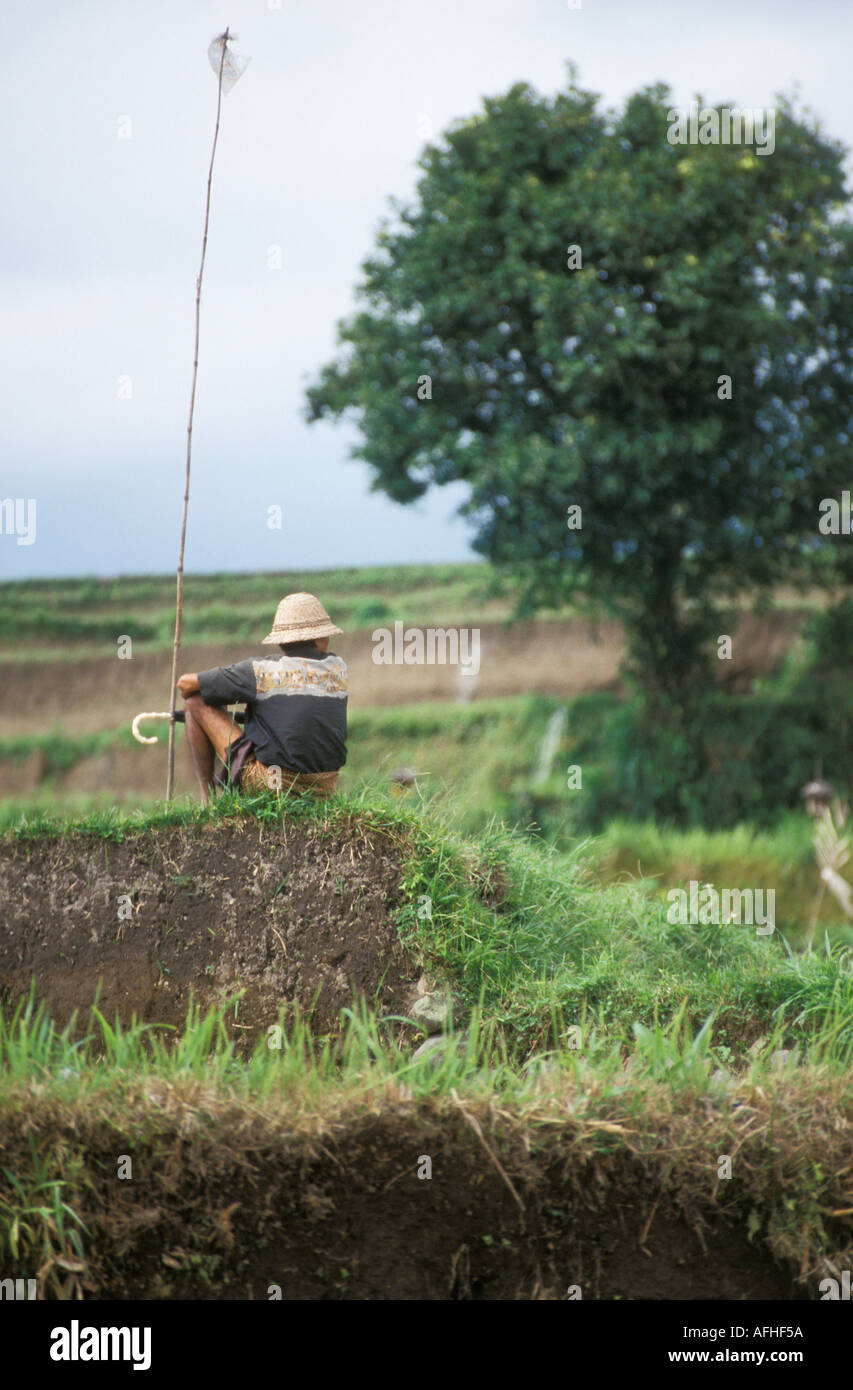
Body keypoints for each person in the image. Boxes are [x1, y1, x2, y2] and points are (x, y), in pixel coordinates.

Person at [176, 592, 347, 803]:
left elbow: (185, 684)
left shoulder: (261, 672)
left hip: (273, 785)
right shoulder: (338, 668)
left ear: (283, 641)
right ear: (319, 638)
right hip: (323, 788)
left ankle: (207, 799)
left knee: (195, 703)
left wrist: (227, 689)